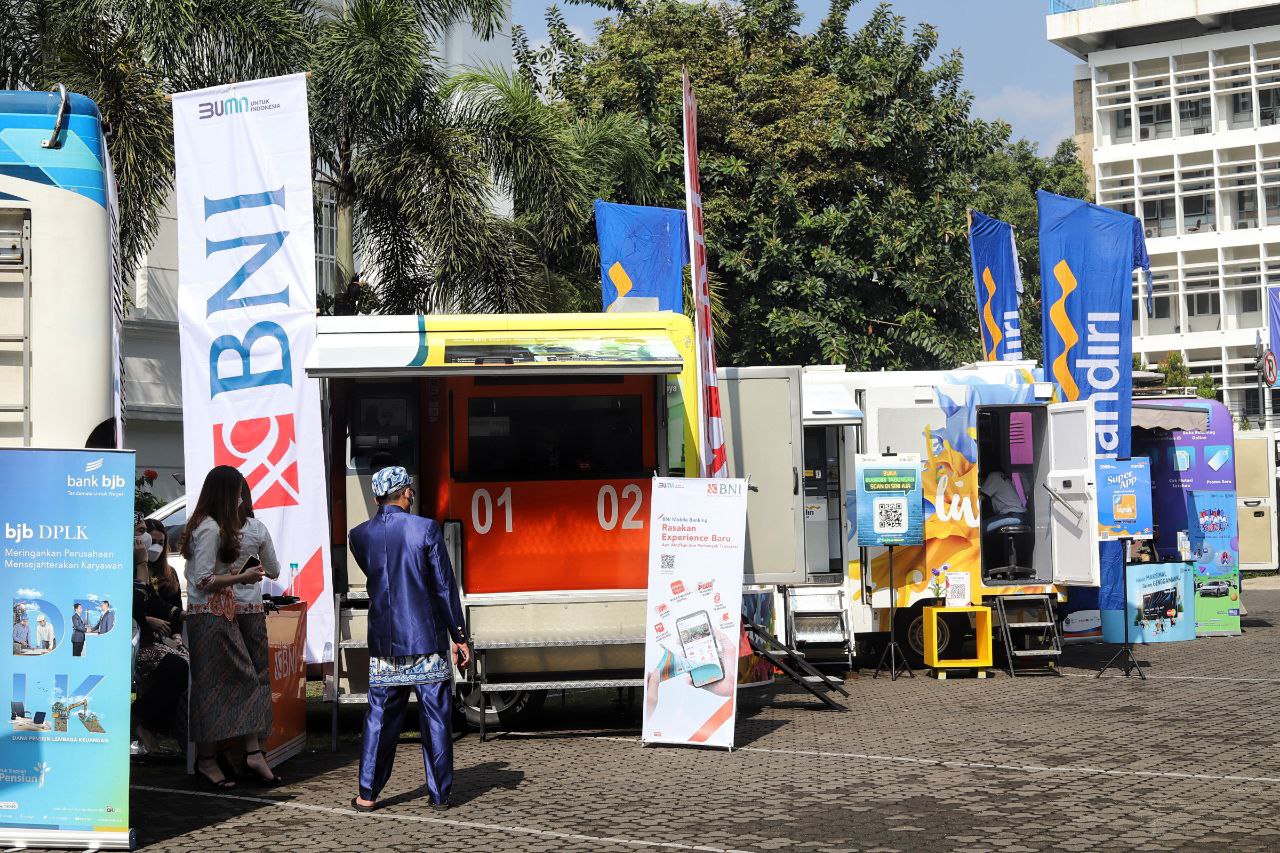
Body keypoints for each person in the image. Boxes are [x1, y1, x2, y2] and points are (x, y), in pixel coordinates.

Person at [348, 466, 469, 813]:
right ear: (405, 493)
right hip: (425, 640)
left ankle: (367, 794)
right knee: (435, 719)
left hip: (385, 642)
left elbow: (377, 573)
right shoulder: (426, 529)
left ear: (376, 498)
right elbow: (443, 587)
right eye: (410, 490)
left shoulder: (359, 536)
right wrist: (459, 635)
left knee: (380, 719)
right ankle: (440, 794)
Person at [179, 465, 282, 790]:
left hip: (216, 614)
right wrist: (243, 576)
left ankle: (227, 756)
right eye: (238, 492)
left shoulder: (207, 525)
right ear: (227, 494)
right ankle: (219, 757)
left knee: (221, 686)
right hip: (210, 616)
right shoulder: (211, 528)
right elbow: (203, 580)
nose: (241, 498)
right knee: (233, 683)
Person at [133, 519, 188, 754]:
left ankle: (158, 728)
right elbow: (137, 604)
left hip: (158, 640)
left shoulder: (167, 572)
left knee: (186, 664)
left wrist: (181, 622)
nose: (151, 544)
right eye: (142, 533)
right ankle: (139, 721)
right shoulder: (124, 565)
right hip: (135, 641)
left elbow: (158, 603)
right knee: (177, 667)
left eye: (159, 542)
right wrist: (148, 620)